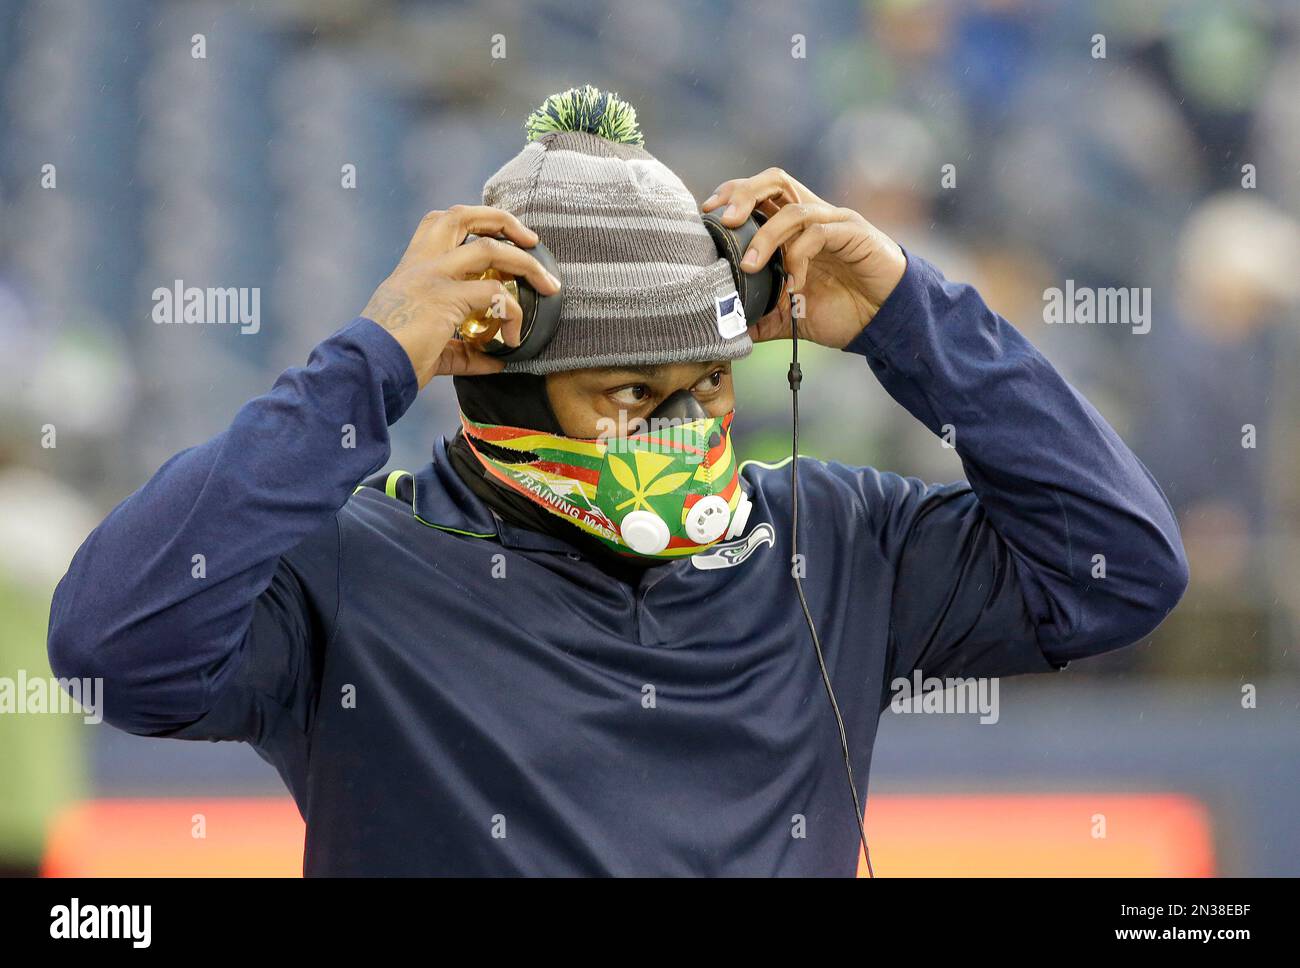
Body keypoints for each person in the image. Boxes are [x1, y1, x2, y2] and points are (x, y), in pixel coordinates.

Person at [47, 87, 1188, 876]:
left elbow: (1120, 570)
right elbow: (114, 649)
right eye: (634, 395)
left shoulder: (832, 537)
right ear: (491, 382)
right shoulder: (351, 566)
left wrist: (907, 313)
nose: (688, 429)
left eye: (711, 384)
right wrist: (371, 360)